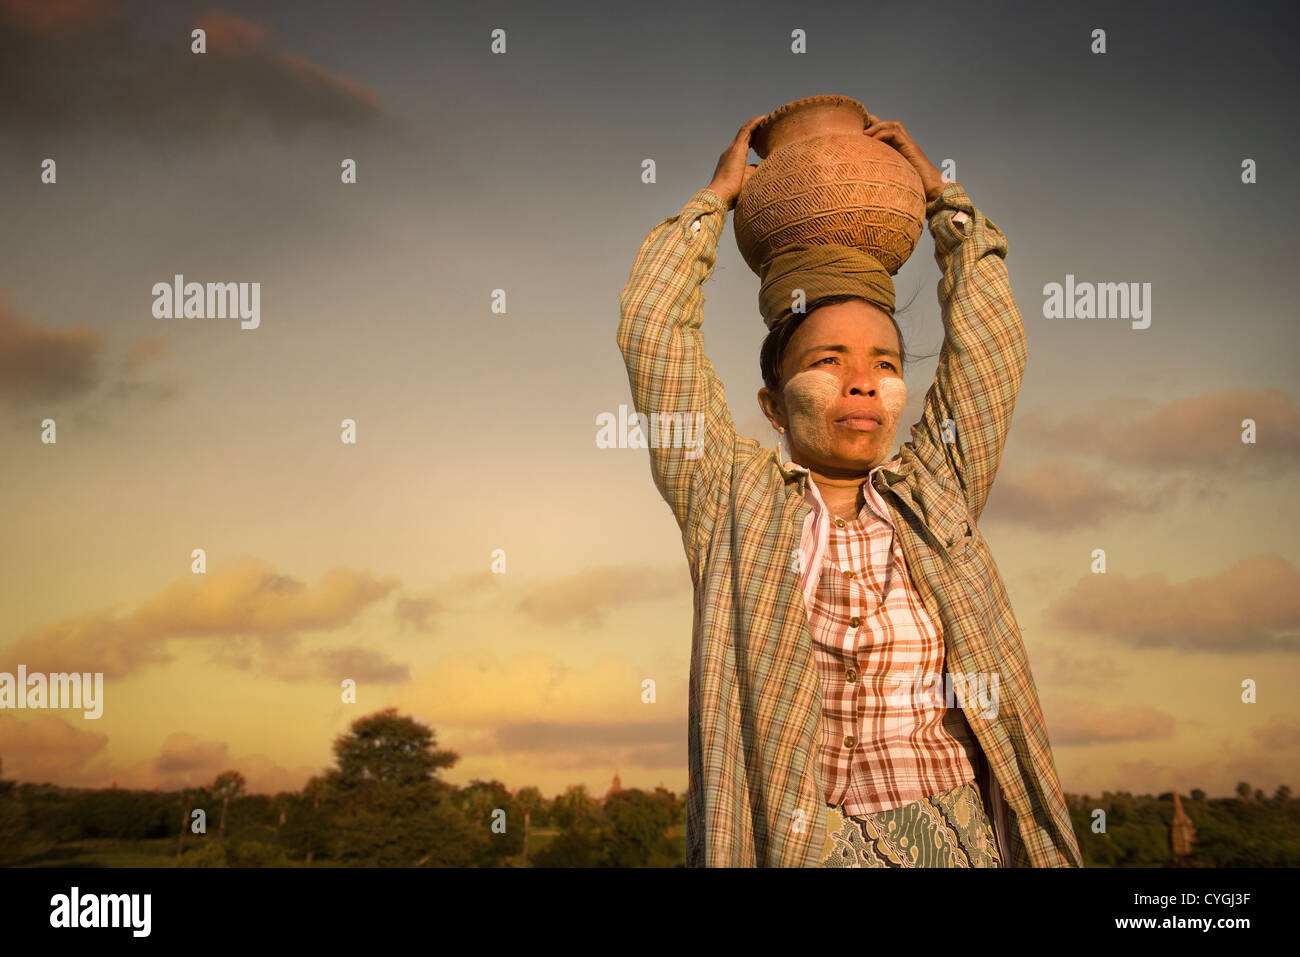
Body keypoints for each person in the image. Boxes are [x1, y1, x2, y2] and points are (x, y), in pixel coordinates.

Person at [616, 112, 1082, 867]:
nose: (863, 380)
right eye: (828, 360)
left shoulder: (940, 490)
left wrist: (943, 204)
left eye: (887, 364)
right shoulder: (728, 500)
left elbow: (991, 343)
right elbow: (653, 330)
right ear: (771, 404)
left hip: (961, 842)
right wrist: (715, 200)